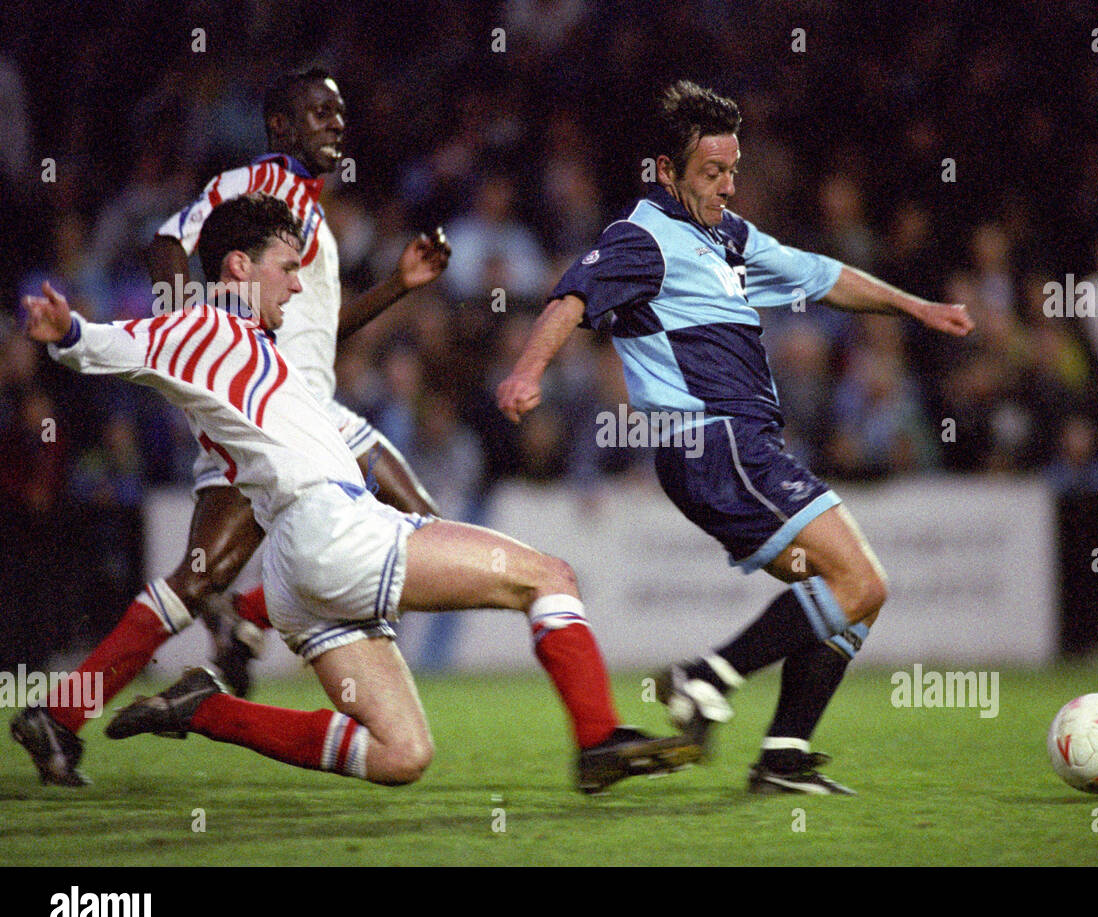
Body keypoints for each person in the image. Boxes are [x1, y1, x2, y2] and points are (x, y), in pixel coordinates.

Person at [14, 194, 698, 793]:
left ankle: (204, 709)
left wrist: (396, 287)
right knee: (548, 576)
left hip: (297, 571)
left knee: (403, 754)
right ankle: (599, 739)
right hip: (332, 533)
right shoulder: (205, 329)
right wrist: (68, 332)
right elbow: (120, 344)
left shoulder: (260, 355)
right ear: (239, 269)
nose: (296, 285)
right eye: (287, 269)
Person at [497, 81, 973, 795]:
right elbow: (572, 297)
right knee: (863, 579)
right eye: (710, 173)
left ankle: (782, 755)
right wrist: (527, 372)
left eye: (731, 170)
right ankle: (703, 678)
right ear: (666, 171)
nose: (725, 185)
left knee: (845, 594)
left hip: (739, 449)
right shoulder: (641, 236)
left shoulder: (730, 236)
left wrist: (915, 306)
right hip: (713, 442)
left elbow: (822, 276)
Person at [9, 69, 448, 786]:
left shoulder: (312, 229)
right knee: (421, 521)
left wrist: (398, 286)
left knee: (194, 579)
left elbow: (320, 335)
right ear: (279, 126)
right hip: (266, 415)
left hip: (300, 414)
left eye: (340, 113)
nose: (337, 124)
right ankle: (235, 636)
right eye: (318, 114)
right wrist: (195, 341)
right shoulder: (252, 191)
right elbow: (165, 240)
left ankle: (66, 710)